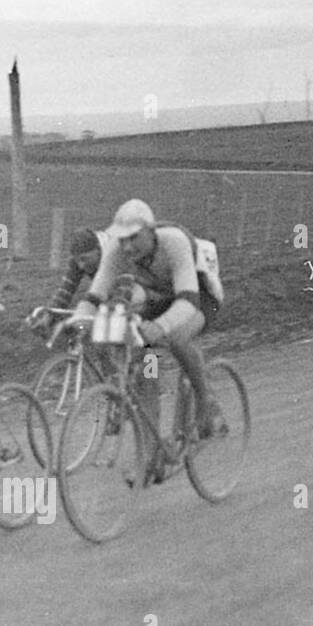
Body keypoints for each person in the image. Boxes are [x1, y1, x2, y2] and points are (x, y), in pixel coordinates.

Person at [71, 199, 223, 477]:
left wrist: (161, 326)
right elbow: (95, 294)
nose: (127, 247)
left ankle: (205, 401)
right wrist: (78, 318)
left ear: (150, 230)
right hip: (161, 300)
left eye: (134, 239)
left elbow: (188, 299)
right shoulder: (117, 250)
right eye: (122, 240)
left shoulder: (173, 242)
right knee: (145, 368)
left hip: (199, 299)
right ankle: (152, 452)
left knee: (177, 339)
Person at [38, 227, 112, 327]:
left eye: (84, 259)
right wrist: (50, 314)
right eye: (77, 260)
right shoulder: (78, 262)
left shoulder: (116, 255)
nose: (81, 265)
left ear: (98, 250)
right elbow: (66, 289)